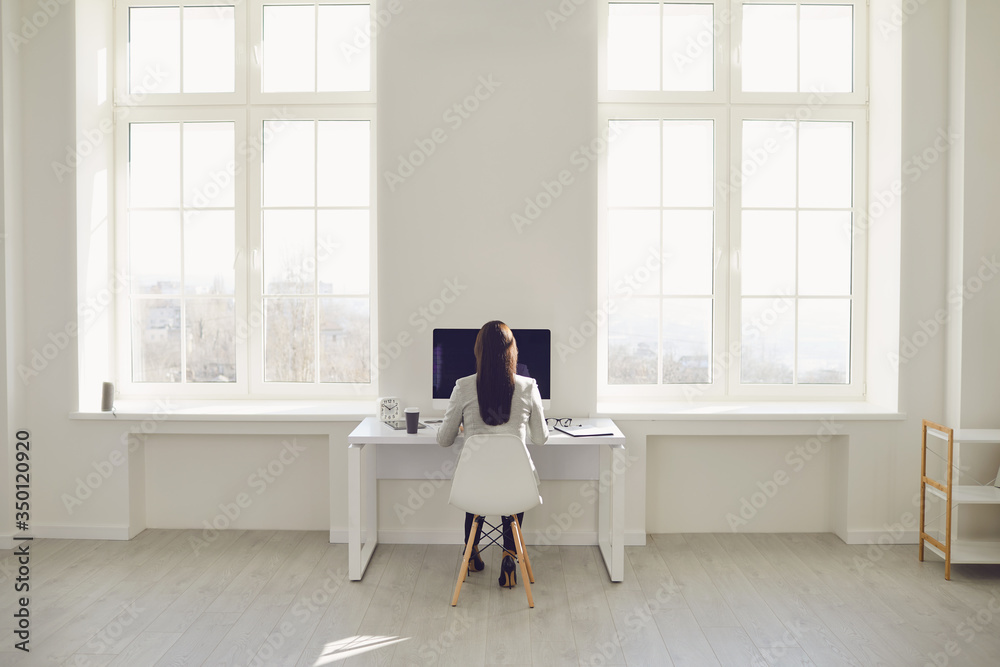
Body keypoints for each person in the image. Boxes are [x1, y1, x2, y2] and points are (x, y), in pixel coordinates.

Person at [437, 320, 548, 588]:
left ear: (478, 352)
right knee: (511, 494)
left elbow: (443, 439)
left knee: (478, 493)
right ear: (512, 352)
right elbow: (541, 438)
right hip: (516, 486)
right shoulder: (528, 386)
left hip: (474, 486)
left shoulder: (463, 387)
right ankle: (509, 557)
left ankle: (472, 554)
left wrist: (467, 427)